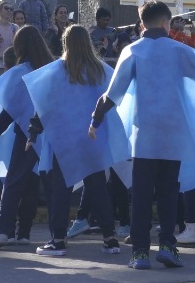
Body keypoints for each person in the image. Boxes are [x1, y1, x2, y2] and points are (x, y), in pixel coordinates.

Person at [91, 0, 195, 270]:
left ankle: (140, 253)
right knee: (169, 192)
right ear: (167, 22)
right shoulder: (179, 50)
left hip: (145, 135)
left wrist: (96, 118)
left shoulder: (132, 50)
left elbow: (113, 93)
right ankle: (167, 245)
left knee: (140, 195)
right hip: (174, 133)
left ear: (141, 23)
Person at [23, 23, 124, 257]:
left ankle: (58, 240)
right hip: (93, 137)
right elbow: (117, 96)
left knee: (61, 189)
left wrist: (33, 131)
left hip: (65, 140)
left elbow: (43, 105)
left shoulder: (55, 71)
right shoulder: (101, 69)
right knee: (98, 187)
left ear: (65, 43)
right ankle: (110, 239)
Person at [0, 24, 54, 248]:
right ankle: (51, 234)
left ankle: (3, 230)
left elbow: (8, 110)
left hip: (26, 134)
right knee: (51, 184)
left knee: (14, 181)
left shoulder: (18, 72)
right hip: (52, 133)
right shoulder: (52, 69)